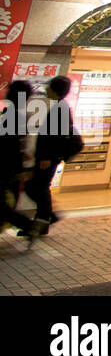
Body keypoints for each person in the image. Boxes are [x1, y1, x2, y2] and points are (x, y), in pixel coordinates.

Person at [20, 75, 80, 237]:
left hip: (48, 158)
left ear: (54, 89)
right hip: (49, 156)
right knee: (37, 187)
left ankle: (45, 220)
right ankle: (45, 220)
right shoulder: (59, 106)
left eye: (49, 87)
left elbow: (55, 136)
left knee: (36, 187)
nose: (46, 89)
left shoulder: (59, 108)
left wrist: (47, 157)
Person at [1, 81, 40, 242]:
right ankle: (27, 225)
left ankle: (28, 225)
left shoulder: (13, 116)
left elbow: (11, 144)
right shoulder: (16, 114)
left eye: (8, 90)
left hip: (5, 166)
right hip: (10, 166)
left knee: (2, 206)